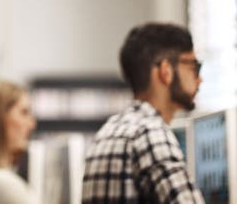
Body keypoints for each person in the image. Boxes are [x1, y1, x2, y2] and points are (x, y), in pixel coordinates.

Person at [82, 22, 204, 203]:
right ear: (166, 71)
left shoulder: (106, 133)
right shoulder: (149, 132)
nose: (199, 79)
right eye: (194, 66)